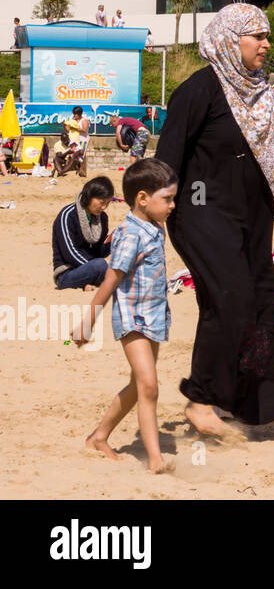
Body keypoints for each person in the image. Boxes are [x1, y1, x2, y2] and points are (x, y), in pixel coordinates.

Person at [155, 3, 274, 433]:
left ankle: (247, 405)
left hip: (252, 218)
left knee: (259, 303)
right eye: (256, 36)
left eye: (267, 36)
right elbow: (167, 160)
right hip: (200, 213)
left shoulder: (264, 96)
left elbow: (271, 168)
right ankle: (201, 398)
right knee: (230, 295)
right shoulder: (198, 91)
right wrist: (149, 215)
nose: (266, 44)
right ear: (229, 38)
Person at [71, 158, 179, 473]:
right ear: (143, 199)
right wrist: (88, 320)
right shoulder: (131, 235)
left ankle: (99, 436)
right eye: (168, 199)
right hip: (132, 317)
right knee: (149, 384)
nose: (172, 205)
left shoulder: (153, 224)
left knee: (138, 385)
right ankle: (155, 458)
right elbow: (111, 279)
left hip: (155, 314)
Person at [52, 176, 115, 291]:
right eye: (101, 202)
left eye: (107, 203)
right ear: (90, 197)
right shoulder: (68, 215)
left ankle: (88, 282)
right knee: (101, 265)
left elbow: (99, 251)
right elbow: (69, 253)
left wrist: (113, 240)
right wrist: (97, 265)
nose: (104, 207)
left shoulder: (102, 218)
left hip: (92, 268)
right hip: (67, 273)